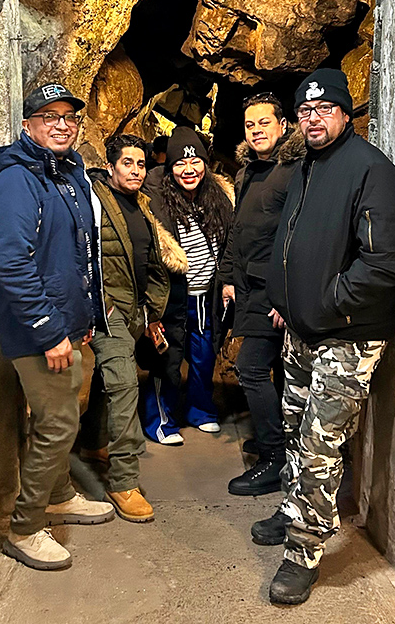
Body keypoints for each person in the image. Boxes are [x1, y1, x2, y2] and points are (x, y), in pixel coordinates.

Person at [258, 68, 395, 607]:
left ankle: (303, 551)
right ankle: (292, 509)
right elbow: (293, 241)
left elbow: (385, 264)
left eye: (324, 109)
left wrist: (324, 302)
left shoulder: (372, 171)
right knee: (294, 428)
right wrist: (288, 299)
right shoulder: (306, 166)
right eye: (305, 111)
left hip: (345, 340)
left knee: (321, 443)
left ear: (346, 113)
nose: (314, 118)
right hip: (301, 331)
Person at [0, 82, 114, 572]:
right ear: (27, 125)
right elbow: (13, 264)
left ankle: (59, 496)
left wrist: (81, 322)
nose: (62, 124)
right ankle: (25, 527)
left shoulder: (66, 173)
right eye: (49, 116)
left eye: (69, 116)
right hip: (40, 333)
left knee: (62, 419)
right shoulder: (16, 179)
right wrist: (49, 331)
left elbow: (77, 254)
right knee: (57, 424)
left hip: (68, 326)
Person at [80, 134, 170, 523]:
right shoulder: (95, 202)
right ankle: (123, 480)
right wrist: (94, 304)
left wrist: (150, 313)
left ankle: (92, 440)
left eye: (140, 164)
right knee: (124, 385)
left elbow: (149, 264)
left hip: (133, 310)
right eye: (127, 163)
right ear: (112, 166)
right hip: (107, 308)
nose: (134, 170)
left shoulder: (142, 207)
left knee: (108, 380)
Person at [220, 93, 298, 496]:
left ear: (283, 125)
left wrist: (282, 296)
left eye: (264, 123)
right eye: (250, 125)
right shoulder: (249, 170)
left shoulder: (296, 170)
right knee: (275, 371)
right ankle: (280, 441)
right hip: (249, 285)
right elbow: (239, 228)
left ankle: (274, 458)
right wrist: (229, 276)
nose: (256, 131)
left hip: (275, 290)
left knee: (251, 368)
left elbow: (296, 239)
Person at [142, 126, 233, 444]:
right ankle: (161, 421)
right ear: (170, 167)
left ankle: (201, 411)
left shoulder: (218, 198)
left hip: (205, 294)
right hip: (174, 295)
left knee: (204, 354)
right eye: (180, 163)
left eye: (195, 162)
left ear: (205, 164)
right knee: (166, 359)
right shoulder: (157, 197)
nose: (188, 169)